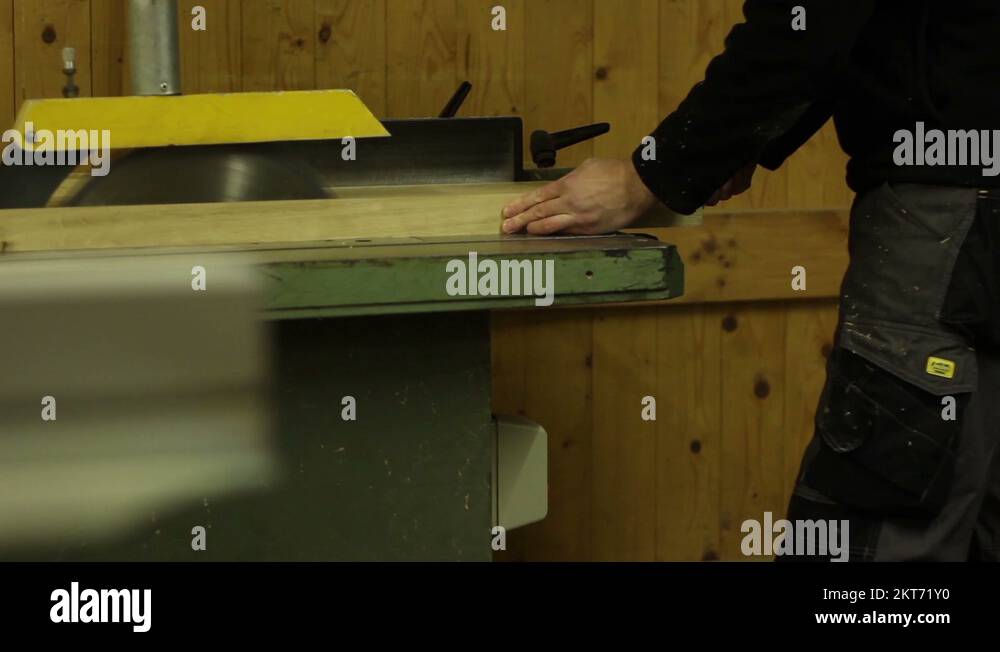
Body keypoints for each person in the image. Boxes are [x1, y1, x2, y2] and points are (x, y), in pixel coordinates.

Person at [504, 0, 1000, 561]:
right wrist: (735, 146)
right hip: (968, 203)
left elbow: (810, 20)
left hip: (948, 218)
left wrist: (650, 174)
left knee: (874, 554)